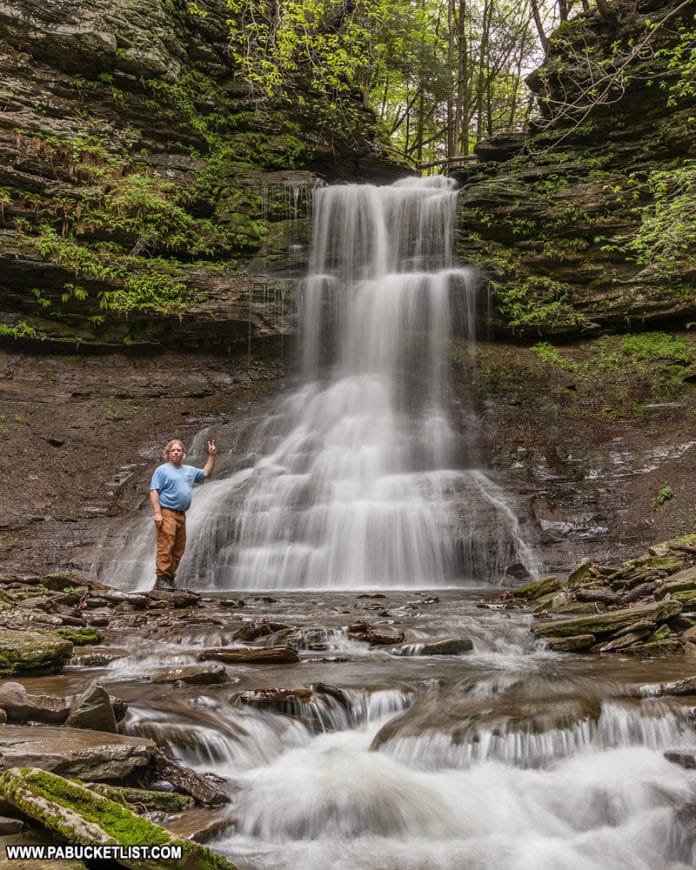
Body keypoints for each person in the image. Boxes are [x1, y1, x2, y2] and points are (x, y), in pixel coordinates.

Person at [149, 438, 216, 590]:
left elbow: (206, 473)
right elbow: (154, 491)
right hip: (166, 512)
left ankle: (169, 578)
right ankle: (161, 579)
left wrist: (212, 456)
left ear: (183, 454)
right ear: (168, 454)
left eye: (179, 450)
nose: (176, 452)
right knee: (166, 545)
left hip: (181, 515)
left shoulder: (189, 470)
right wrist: (157, 513)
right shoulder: (162, 470)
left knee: (179, 548)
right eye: (173, 450)